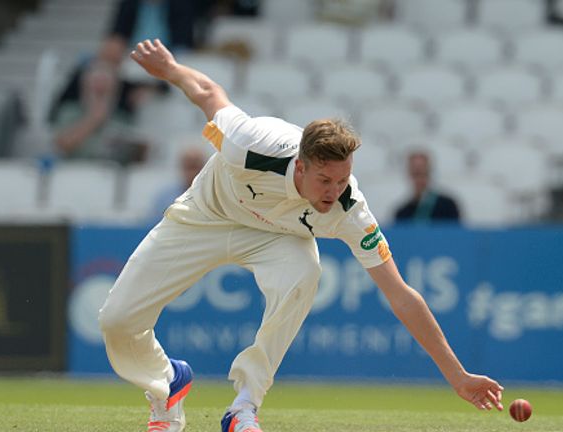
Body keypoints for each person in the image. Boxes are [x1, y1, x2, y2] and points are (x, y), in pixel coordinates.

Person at [98, 39, 504, 432]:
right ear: (301, 166)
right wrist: (170, 69)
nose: (334, 191)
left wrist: (458, 376)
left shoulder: (350, 209)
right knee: (116, 321)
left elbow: (400, 294)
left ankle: (243, 408)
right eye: (325, 180)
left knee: (306, 270)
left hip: (275, 238)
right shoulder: (250, 147)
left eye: (343, 179)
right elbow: (208, 93)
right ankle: (167, 382)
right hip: (205, 217)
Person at [394, 150, 461, 224]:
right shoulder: (402, 213)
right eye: (416, 174)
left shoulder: (448, 206)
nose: (419, 179)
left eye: (423, 173)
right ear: (409, 174)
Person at [148, 146, 207, 222]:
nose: (192, 173)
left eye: (195, 167)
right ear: (181, 167)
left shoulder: (214, 197)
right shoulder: (164, 198)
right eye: (189, 167)